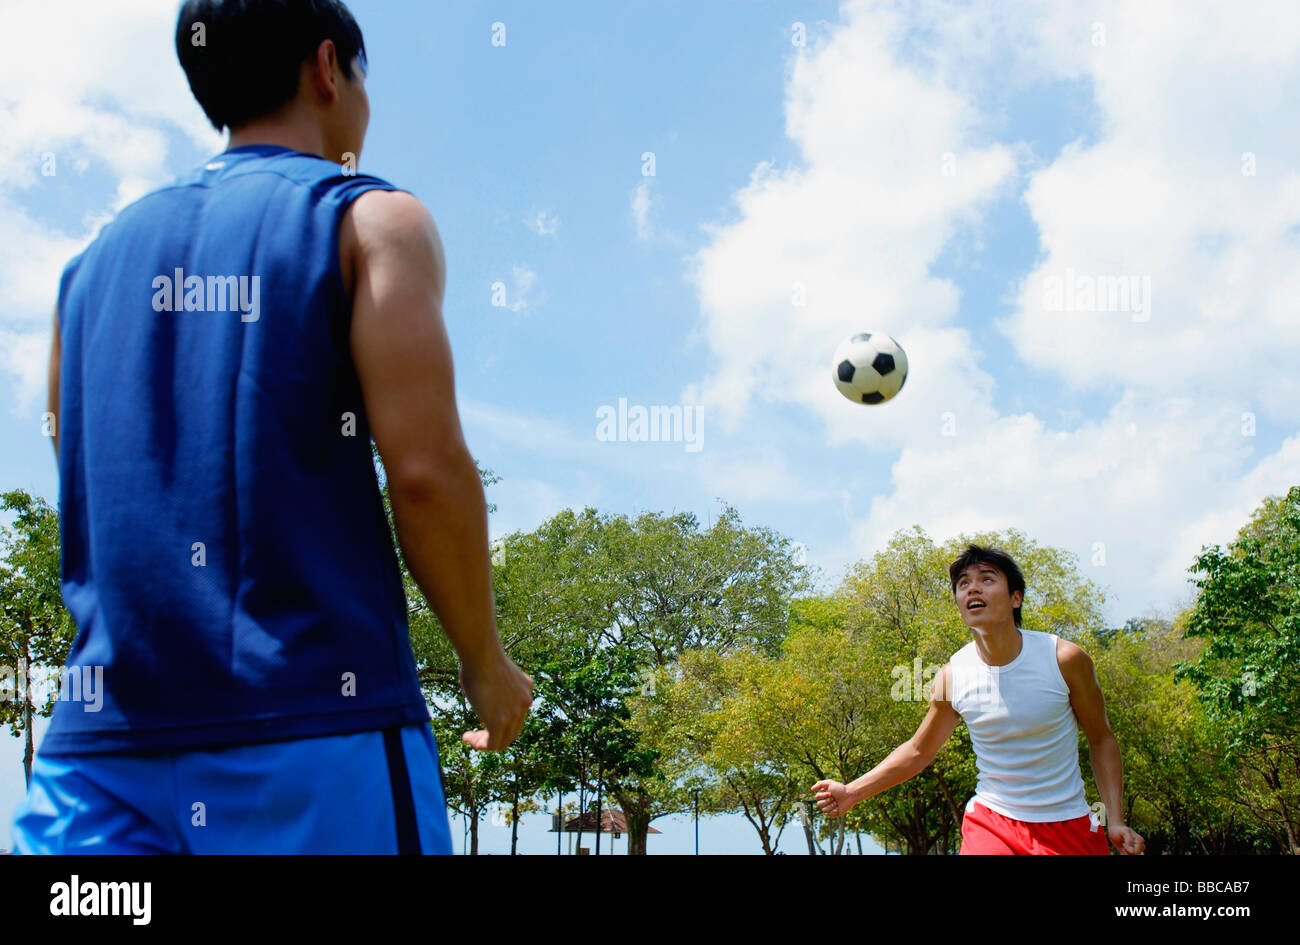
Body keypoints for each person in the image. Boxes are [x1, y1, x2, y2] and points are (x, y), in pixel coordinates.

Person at [10, 0, 532, 854]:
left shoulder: (87, 267)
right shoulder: (371, 218)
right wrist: (485, 663)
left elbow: (84, 465)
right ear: (329, 68)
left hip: (97, 759)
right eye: (365, 76)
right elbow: (426, 468)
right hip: (317, 729)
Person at [811, 544, 1145, 855]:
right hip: (992, 821)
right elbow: (919, 750)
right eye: (963, 584)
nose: (973, 588)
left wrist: (1114, 820)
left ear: (1016, 599)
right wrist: (853, 791)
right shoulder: (953, 676)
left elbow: (1101, 739)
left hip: (1067, 824)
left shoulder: (1064, 659)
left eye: (987, 580)